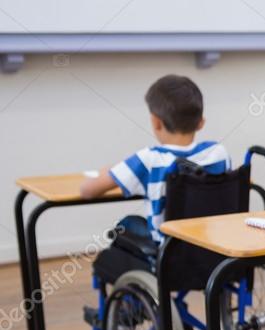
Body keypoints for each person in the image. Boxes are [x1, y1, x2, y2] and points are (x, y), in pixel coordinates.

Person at [80, 74, 230, 241]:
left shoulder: (149, 160)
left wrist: (106, 172)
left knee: (127, 224)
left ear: (156, 122)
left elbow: (88, 191)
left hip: (169, 252)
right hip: (213, 246)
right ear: (201, 122)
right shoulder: (219, 153)